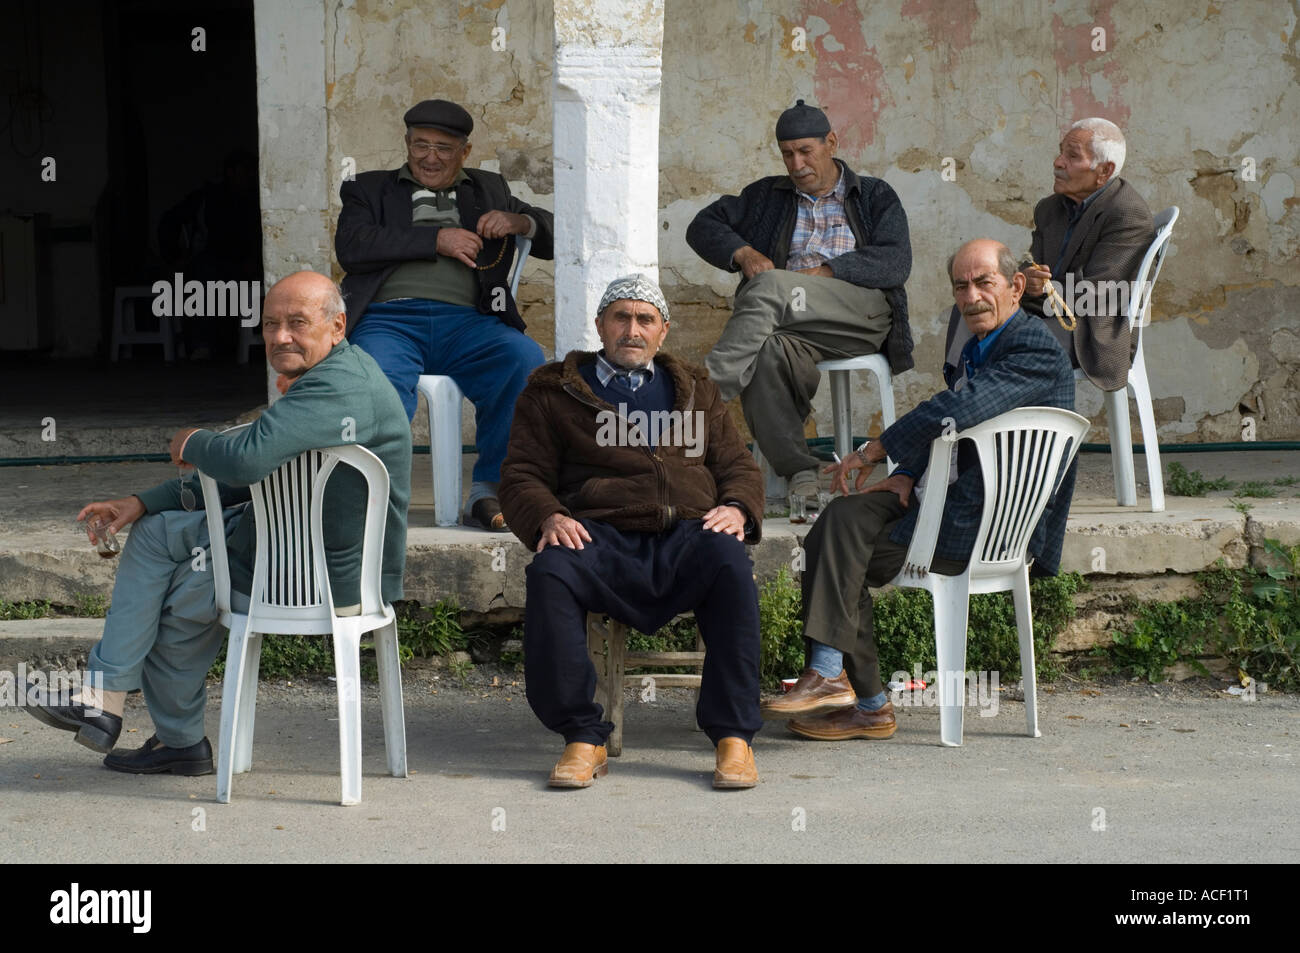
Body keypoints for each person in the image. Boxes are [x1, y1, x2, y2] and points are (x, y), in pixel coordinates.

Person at [25, 272, 412, 775]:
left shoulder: (336, 388)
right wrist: (144, 500)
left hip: (314, 573)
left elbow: (247, 460)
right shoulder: (329, 377)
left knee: (173, 585)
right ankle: (148, 726)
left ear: (337, 326)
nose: (279, 337)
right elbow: (263, 475)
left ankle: (137, 717)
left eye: (297, 323)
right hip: (289, 553)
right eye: (270, 325)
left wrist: (193, 441)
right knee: (166, 554)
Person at [763, 240, 1076, 740]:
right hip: (942, 496)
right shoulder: (983, 344)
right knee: (839, 523)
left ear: (1016, 287)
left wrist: (875, 450)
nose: (971, 296)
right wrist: (907, 470)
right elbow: (957, 425)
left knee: (845, 550)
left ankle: (860, 697)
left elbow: (958, 409)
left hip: (985, 523)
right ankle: (837, 683)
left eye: (983, 282)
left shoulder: (1033, 347)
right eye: (960, 285)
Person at [499, 275, 766, 790]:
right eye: (620, 317)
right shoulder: (552, 391)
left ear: (663, 331)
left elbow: (737, 464)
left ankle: (734, 737)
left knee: (730, 562)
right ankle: (582, 736)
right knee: (552, 569)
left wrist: (736, 507)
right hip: (601, 535)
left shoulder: (697, 388)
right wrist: (549, 517)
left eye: (645, 319)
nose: (632, 329)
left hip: (689, 532)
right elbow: (521, 474)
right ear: (600, 326)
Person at [336, 98, 552, 531]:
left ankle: (491, 488)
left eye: (443, 148)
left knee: (523, 359)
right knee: (375, 376)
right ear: (407, 143)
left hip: (470, 323)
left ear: (464, 153)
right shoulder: (369, 188)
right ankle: (378, 494)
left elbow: (557, 236)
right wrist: (436, 240)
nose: (429, 157)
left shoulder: (489, 187)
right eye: (420, 145)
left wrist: (519, 222)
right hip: (388, 320)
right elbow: (353, 246)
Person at [686, 99, 914, 505]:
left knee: (773, 286)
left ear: (831, 142)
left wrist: (825, 273)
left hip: (859, 314)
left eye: (805, 151)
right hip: (794, 324)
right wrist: (743, 253)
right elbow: (702, 225)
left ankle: (697, 405)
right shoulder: (766, 196)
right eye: (787, 154)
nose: (795, 163)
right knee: (766, 353)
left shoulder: (874, 194)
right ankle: (801, 473)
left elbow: (895, 261)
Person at [945, 117, 1154, 392]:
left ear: (1104, 171)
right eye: (1060, 152)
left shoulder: (1127, 213)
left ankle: (966, 404)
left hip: (1088, 330)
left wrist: (1034, 289)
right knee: (971, 307)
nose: (1058, 162)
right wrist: (1026, 278)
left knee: (998, 325)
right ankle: (960, 391)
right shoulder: (1050, 209)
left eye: (1072, 156)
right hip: (1047, 311)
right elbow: (1032, 264)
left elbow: (1100, 293)